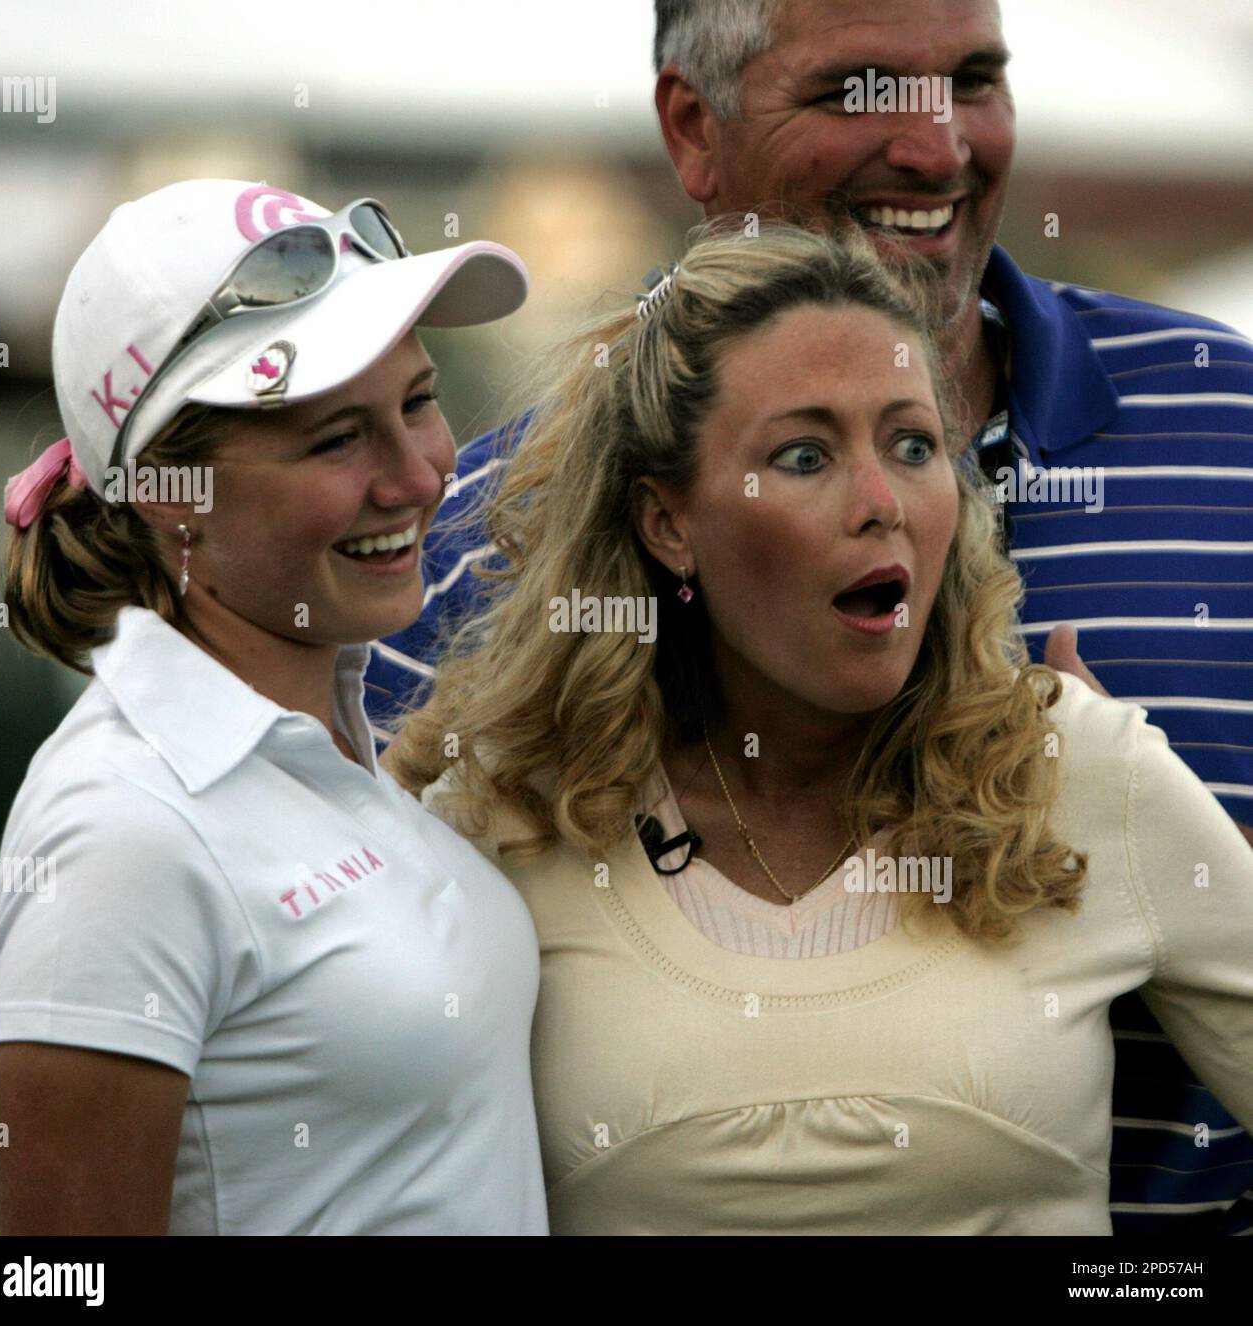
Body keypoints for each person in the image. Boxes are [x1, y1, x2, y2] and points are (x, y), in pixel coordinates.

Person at [371, 0, 1253, 1234]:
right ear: (693, 126)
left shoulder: (1233, 440)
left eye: (976, 80)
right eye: (860, 92)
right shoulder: (458, 550)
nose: (938, 149)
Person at [0, 178, 548, 1235]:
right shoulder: (120, 826)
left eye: (418, 401)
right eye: (337, 438)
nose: (422, 474)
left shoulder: (343, 736)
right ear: (168, 491)